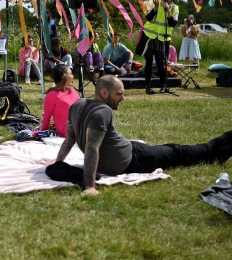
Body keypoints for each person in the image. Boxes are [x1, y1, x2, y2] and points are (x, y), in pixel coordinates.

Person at [54, 75, 232, 196]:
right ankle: (217, 150)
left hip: (130, 148)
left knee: (170, 149)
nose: (123, 98)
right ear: (104, 93)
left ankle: (219, 148)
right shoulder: (103, 112)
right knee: (177, 152)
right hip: (136, 159)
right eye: (119, 94)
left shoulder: (77, 105)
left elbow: (70, 139)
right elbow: (92, 148)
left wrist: (58, 162)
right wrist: (90, 186)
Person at [136, 0, 179, 94]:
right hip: (150, 36)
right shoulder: (155, 3)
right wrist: (155, 8)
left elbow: (173, 24)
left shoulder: (175, 8)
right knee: (149, 63)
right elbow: (149, 18)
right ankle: (148, 87)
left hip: (163, 38)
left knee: (162, 63)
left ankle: (164, 85)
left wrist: (167, 10)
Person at [40, 64, 80, 137]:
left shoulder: (73, 91)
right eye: (70, 74)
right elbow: (46, 118)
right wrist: (41, 134)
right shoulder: (52, 95)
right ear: (63, 76)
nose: (73, 76)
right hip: (68, 134)